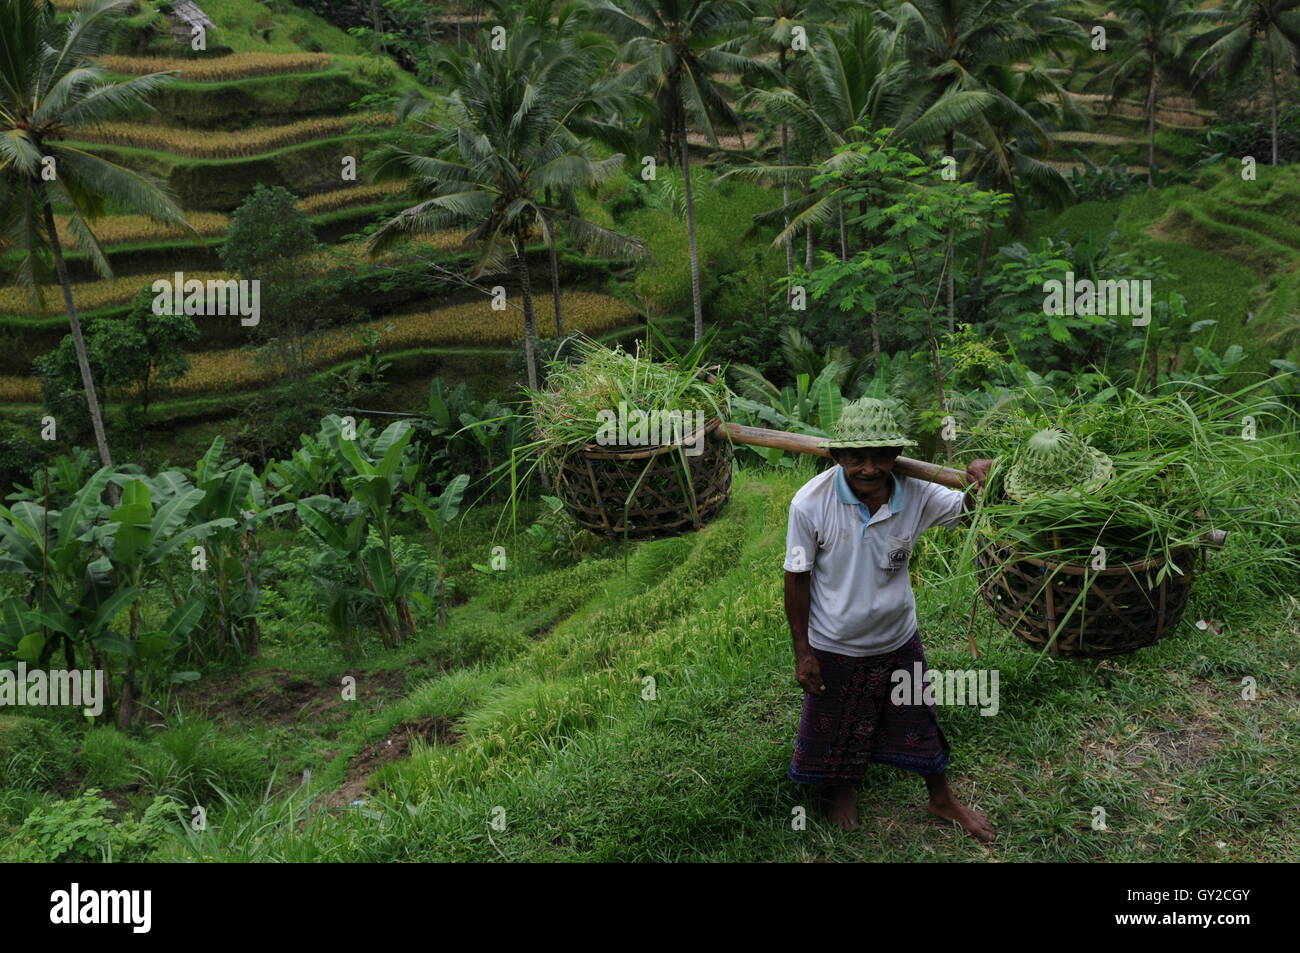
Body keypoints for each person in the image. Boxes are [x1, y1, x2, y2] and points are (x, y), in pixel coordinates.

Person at [782, 397, 995, 841]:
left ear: (896, 456)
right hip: (835, 641)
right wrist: (803, 651)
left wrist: (983, 479)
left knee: (918, 715)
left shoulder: (917, 492)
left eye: (881, 456)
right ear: (837, 457)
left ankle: (941, 798)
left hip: (898, 636)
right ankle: (844, 791)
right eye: (856, 457)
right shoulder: (810, 504)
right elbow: (796, 577)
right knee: (838, 721)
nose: (869, 468)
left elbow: (970, 511)